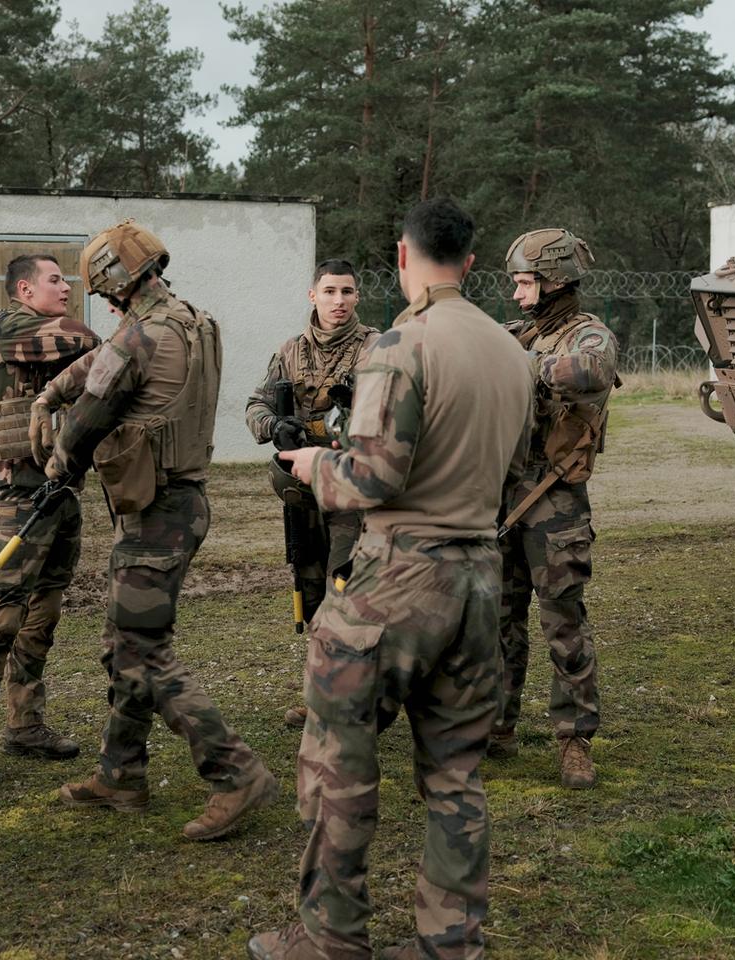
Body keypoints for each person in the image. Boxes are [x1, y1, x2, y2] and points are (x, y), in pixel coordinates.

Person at [248, 198, 534, 960]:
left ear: (402, 257)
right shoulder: (511, 350)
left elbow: (370, 478)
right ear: (470, 263)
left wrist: (314, 466)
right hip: (480, 577)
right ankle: (451, 944)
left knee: (337, 761)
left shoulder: (401, 346)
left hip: (398, 578)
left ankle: (329, 940)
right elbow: (517, 463)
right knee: (456, 776)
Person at [47, 219, 277, 842]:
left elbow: (85, 423)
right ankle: (120, 774)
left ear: (115, 284)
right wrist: (56, 386)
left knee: (144, 651)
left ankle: (236, 771)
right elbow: (102, 362)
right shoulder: (189, 321)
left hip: (156, 512)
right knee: (124, 645)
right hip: (179, 502)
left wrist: (56, 462)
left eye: (100, 289)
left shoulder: (140, 335)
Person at [0, 255, 100, 796]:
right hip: (13, 494)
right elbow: (83, 339)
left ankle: (25, 725)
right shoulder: (7, 328)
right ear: (24, 289)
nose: (65, 288)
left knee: (43, 615)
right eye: (55, 280)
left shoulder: (44, 337)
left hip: (60, 489)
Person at [491, 227, 619, 790]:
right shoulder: (521, 334)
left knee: (562, 623)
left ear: (555, 281)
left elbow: (589, 372)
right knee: (497, 621)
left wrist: (514, 367)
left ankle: (573, 740)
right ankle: (495, 727)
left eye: (525, 284)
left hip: (556, 501)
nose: (518, 295)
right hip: (502, 498)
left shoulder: (589, 336)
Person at [244, 259, 379, 727]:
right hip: (303, 495)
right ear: (312, 296)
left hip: (353, 495)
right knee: (312, 592)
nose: (338, 301)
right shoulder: (290, 351)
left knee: (348, 594)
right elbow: (256, 403)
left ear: (357, 296)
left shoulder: (377, 350)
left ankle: (352, 700)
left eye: (347, 291)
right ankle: (321, 693)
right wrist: (273, 425)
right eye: (329, 291)